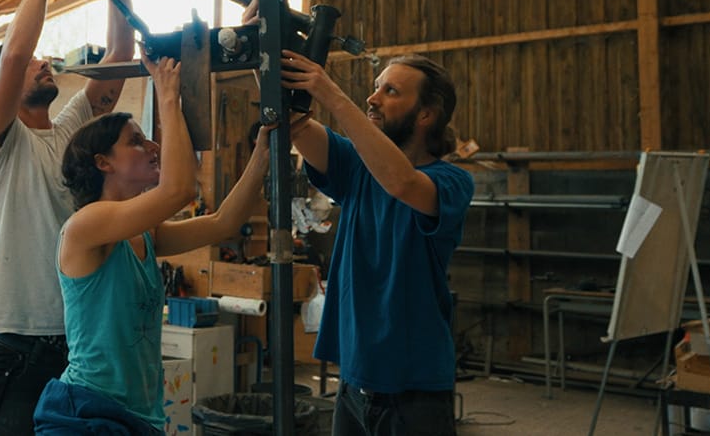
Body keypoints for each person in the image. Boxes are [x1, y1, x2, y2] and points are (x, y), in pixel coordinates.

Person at [32, 55, 271, 434]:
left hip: (141, 417)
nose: (153, 146)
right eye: (137, 142)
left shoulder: (144, 234)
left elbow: (225, 222)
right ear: (103, 163)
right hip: (87, 415)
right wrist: (168, 96)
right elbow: (179, 189)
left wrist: (264, 150)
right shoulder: (86, 226)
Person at [0, 0, 136, 435]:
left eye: (43, 62)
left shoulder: (69, 131)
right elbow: (15, 53)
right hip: (17, 344)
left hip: (76, 342)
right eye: (33, 63)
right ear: (5, 87)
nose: (43, 63)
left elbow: (120, 55)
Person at [280, 49, 474, 436]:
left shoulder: (451, 183)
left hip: (414, 391)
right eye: (375, 88)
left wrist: (332, 94)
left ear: (425, 114)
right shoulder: (357, 167)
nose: (373, 98)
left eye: (390, 91)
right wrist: (263, 50)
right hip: (353, 383)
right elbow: (292, 123)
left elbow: (401, 182)